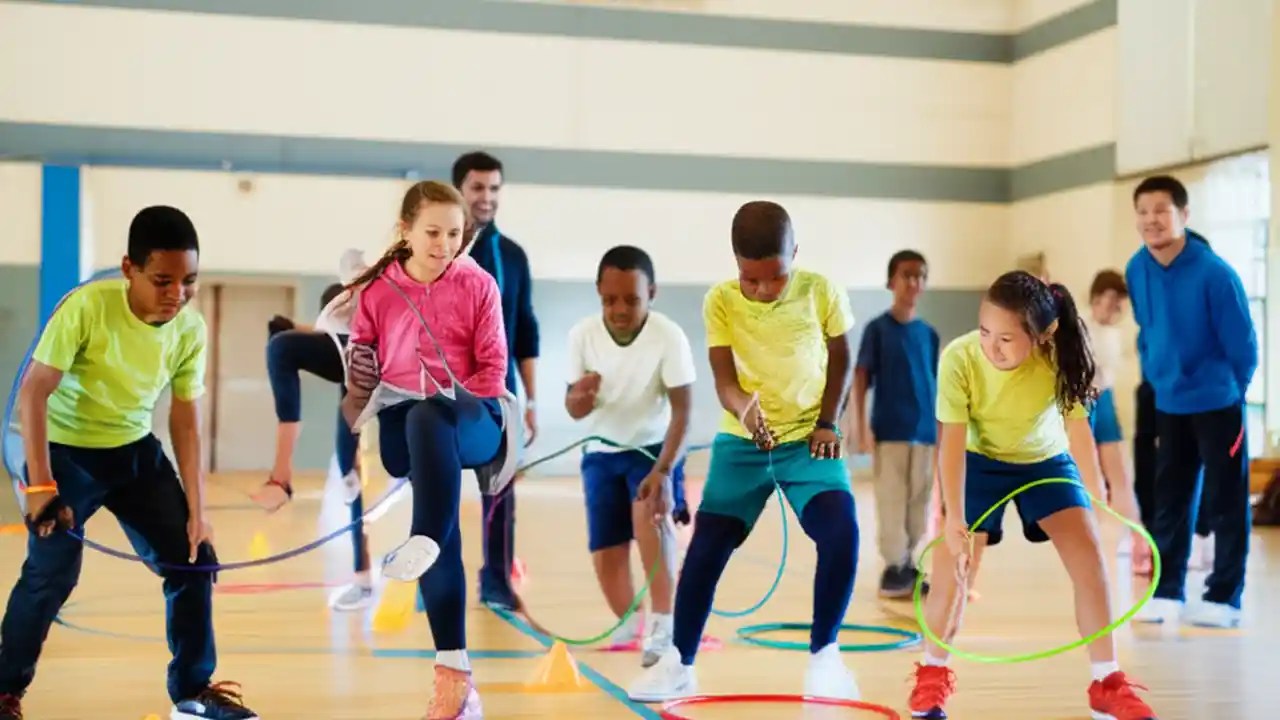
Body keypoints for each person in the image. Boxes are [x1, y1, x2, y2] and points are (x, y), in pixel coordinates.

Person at [0, 206, 257, 720]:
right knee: (52, 572)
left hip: (133, 448)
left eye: (189, 282)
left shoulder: (190, 328)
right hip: (63, 446)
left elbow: (185, 419)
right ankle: (4, 690)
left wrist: (197, 512)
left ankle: (192, 693)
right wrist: (40, 487)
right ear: (128, 269)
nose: (176, 294)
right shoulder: (86, 307)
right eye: (162, 280)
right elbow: (33, 393)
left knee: (193, 559)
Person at [628, 200, 861, 703]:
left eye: (773, 278)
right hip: (743, 441)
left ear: (793, 254)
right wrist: (743, 408)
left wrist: (828, 422)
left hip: (809, 439)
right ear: (735, 265)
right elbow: (724, 379)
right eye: (749, 279)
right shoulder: (721, 301)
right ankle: (679, 663)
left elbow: (841, 358)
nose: (760, 290)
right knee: (708, 546)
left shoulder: (822, 292)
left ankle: (825, 658)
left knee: (841, 532)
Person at [908, 271, 1158, 720]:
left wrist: (1095, 490)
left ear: (1044, 335)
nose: (991, 346)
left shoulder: (1058, 359)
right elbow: (951, 442)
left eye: (1006, 338)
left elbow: (1078, 429)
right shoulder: (959, 358)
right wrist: (952, 517)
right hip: (979, 460)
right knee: (954, 572)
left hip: (1045, 462)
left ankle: (1106, 680)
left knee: (1091, 562)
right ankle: (931, 675)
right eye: (985, 331)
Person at [339, 180, 517, 718]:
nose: (444, 244)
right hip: (406, 428)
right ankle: (457, 681)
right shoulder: (375, 291)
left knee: (431, 418)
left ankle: (424, 541)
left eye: (455, 234)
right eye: (433, 232)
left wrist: (453, 398)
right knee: (439, 514)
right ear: (406, 231)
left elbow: (493, 369)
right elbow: (361, 370)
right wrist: (358, 380)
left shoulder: (477, 284)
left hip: (473, 419)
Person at [1126, 175, 1256, 629]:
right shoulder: (1136, 269)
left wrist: (1231, 391)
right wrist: (1157, 378)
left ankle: (1225, 596)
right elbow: (1146, 331)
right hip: (1169, 401)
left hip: (1219, 402)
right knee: (1171, 499)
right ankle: (1167, 592)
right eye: (1143, 211)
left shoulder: (1215, 273)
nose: (1151, 220)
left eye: (1161, 210)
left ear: (1183, 215)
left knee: (1226, 498)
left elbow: (1244, 346)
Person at [565, 245, 695, 667]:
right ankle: (629, 619)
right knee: (606, 550)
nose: (620, 309)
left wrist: (665, 470)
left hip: (652, 449)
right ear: (599, 293)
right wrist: (580, 397)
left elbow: (683, 411)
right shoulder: (582, 335)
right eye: (610, 300)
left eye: (632, 299)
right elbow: (575, 408)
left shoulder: (668, 336)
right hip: (601, 452)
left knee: (649, 522)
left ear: (651, 293)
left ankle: (663, 623)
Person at [252, 252, 377, 611]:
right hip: (353, 386)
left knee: (281, 346)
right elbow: (324, 335)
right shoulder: (337, 336)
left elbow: (327, 335)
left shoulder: (368, 314)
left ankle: (282, 475)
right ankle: (363, 575)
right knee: (350, 480)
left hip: (372, 376)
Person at [452, 151, 539, 610]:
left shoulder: (512, 257)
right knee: (438, 488)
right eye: (477, 188)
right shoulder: (438, 252)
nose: (487, 197)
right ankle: (438, 580)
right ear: (459, 192)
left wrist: (532, 401)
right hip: (444, 394)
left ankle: (497, 582)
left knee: (500, 492)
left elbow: (525, 326)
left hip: (500, 395)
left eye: (493, 188)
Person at [851, 249, 939, 598]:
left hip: (925, 433)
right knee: (892, 499)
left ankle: (909, 562)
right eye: (907, 275)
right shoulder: (878, 330)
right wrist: (861, 426)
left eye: (920, 275)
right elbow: (860, 378)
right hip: (890, 431)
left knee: (920, 500)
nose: (914, 282)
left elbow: (936, 383)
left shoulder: (928, 334)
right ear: (891, 281)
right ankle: (893, 566)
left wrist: (942, 431)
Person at [1084, 270, 1150, 574]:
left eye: (1120, 306)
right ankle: (1090, 542)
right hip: (1080, 404)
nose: (1115, 311)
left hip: (1104, 400)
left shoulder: (1113, 334)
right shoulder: (1079, 324)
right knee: (1090, 481)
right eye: (1111, 302)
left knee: (1120, 474)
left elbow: (1107, 373)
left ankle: (1138, 541)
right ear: (1097, 299)